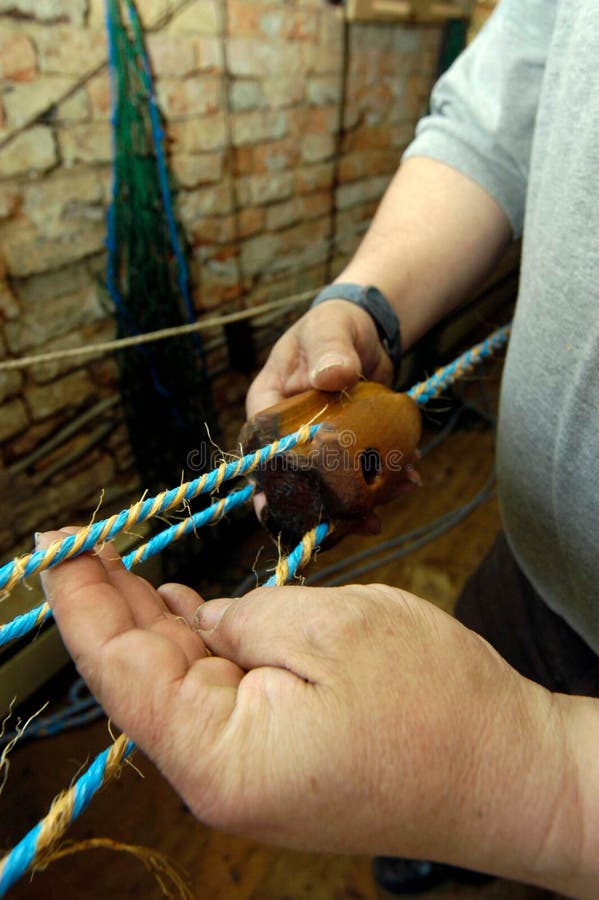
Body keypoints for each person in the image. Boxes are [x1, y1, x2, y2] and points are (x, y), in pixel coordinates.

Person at [41, 0, 599, 895]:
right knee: (489, 640)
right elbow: (493, 125)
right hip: (535, 561)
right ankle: (443, 839)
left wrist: (547, 783)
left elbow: (540, 771)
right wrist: (362, 306)